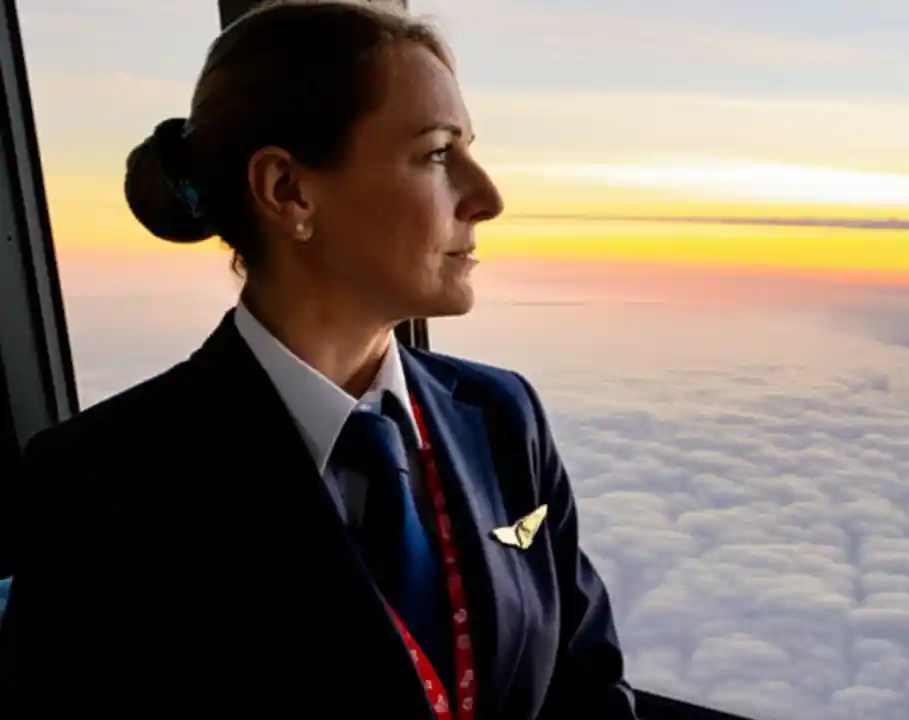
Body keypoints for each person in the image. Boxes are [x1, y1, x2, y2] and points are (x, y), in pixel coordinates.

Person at [0, 2, 638, 718]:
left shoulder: (503, 417)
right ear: (289, 191)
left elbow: (587, 690)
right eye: (435, 153)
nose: (487, 197)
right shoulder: (101, 487)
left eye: (470, 149)